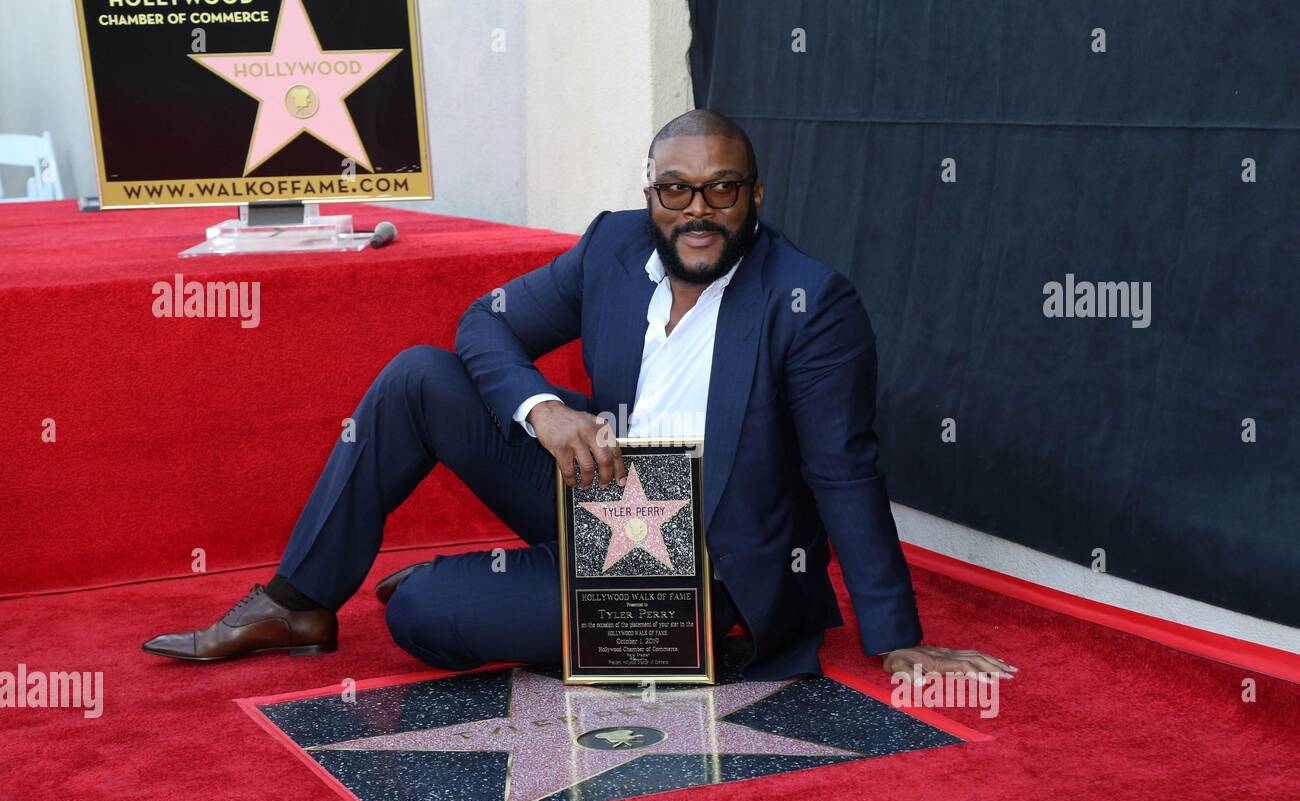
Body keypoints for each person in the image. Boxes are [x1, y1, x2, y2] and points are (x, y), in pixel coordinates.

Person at [143, 108, 1015, 684]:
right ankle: (297, 605)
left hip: (700, 578)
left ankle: (475, 585)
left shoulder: (810, 302)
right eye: (676, 190)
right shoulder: (611, 246)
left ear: (755, 197)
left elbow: (844, 470)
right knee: (419, 376)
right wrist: (542, 410)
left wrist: (897, 636)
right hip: (605, 490)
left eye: (722, 190)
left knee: (420, 614)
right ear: (651, 194)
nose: (697, 210)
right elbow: (483, 324)